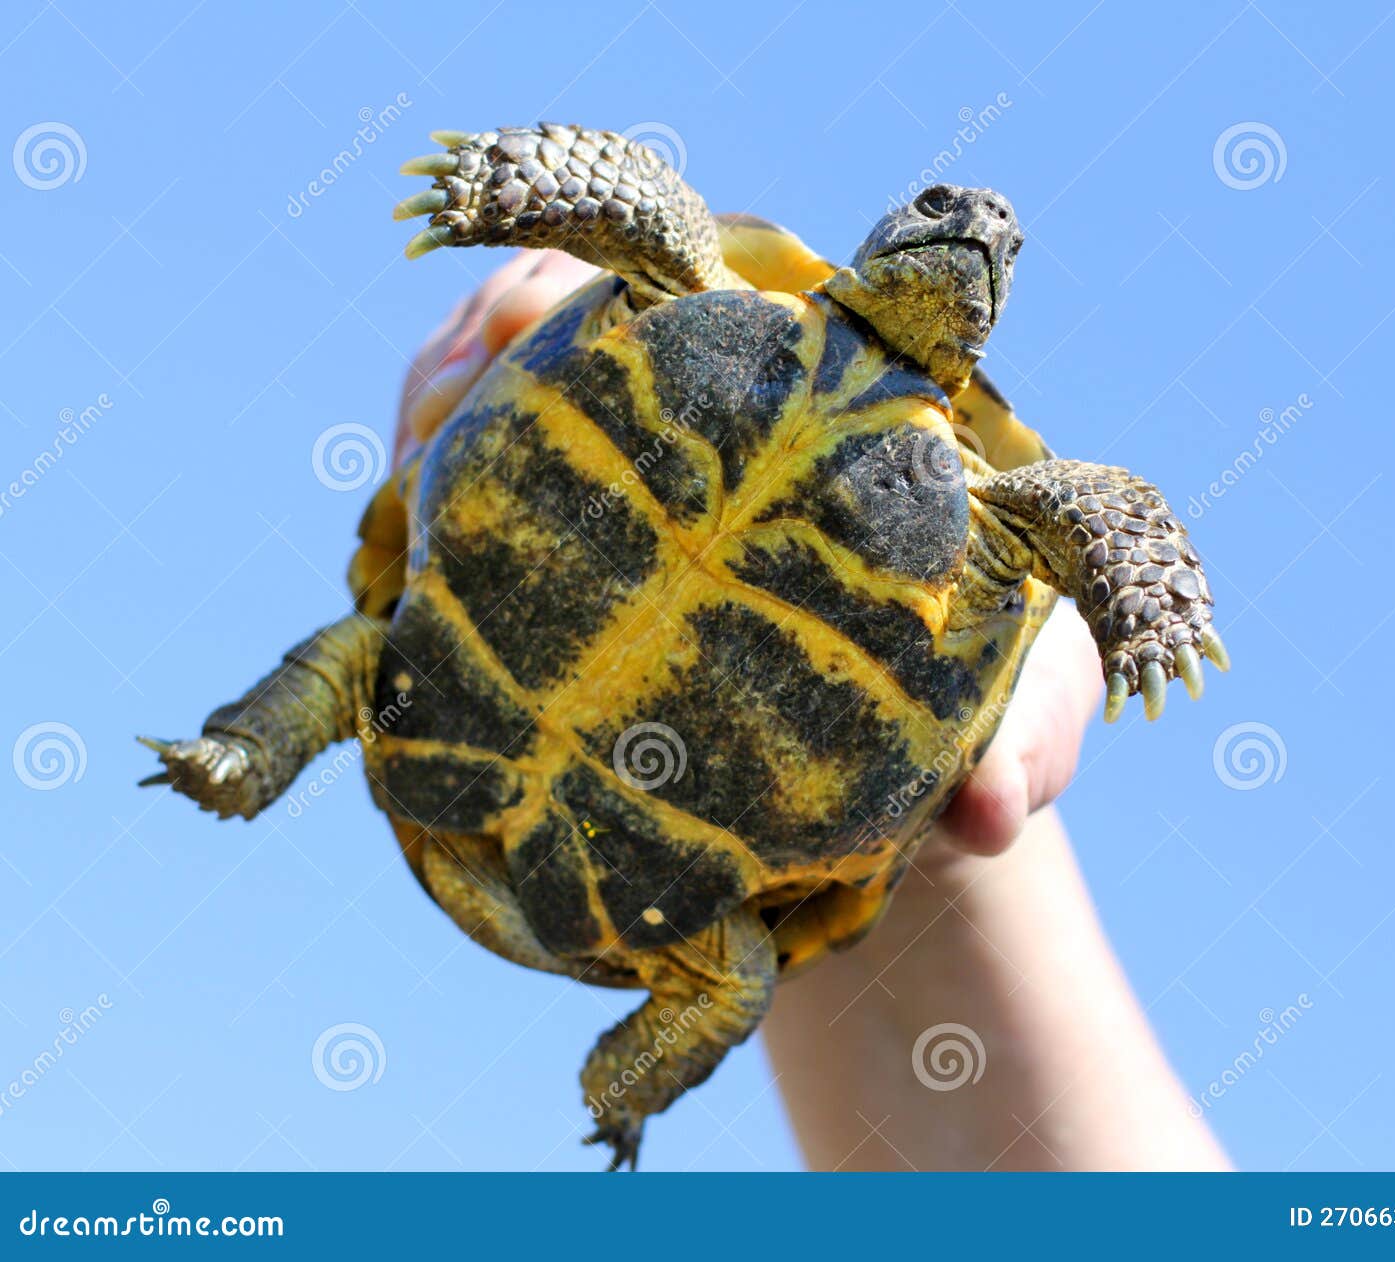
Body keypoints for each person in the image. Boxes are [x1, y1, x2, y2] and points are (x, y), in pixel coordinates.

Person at [398, 253, 1231, 1173]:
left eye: (1004, 246)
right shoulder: (702, 274)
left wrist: (1150, 605)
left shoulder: (1012, 508)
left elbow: (1103, 522)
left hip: (679, 841)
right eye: (944, 206)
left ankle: (624, 1089)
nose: (978, 231)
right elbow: (643, 225)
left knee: (731, 977)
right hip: (477, 646)